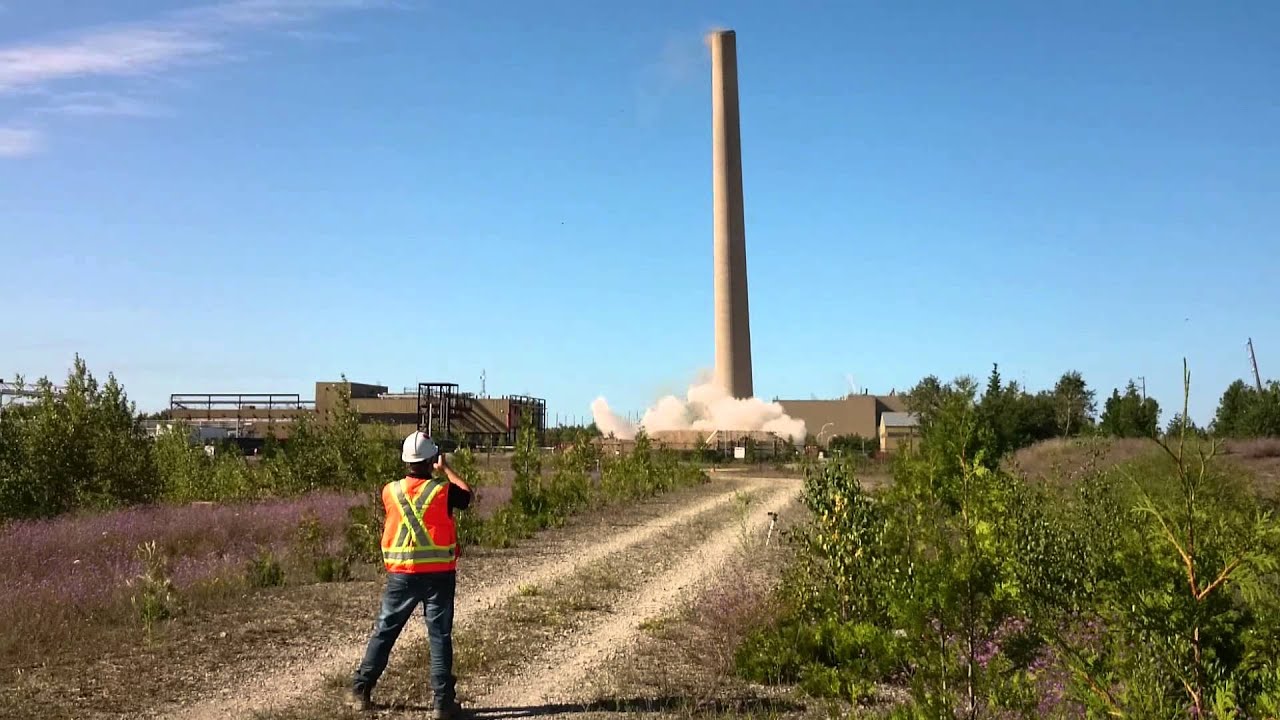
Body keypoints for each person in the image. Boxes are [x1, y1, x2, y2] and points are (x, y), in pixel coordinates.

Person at [348, 431, 472, 718]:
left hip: (401, 574)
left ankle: (361, 689)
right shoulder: (443, 491)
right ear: (431, 460)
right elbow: (467, 496)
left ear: (406, 461)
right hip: (439, 575)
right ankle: (442, 702)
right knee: (439, 636)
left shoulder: (390, 491)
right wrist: (446, 469)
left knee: (385, 631)